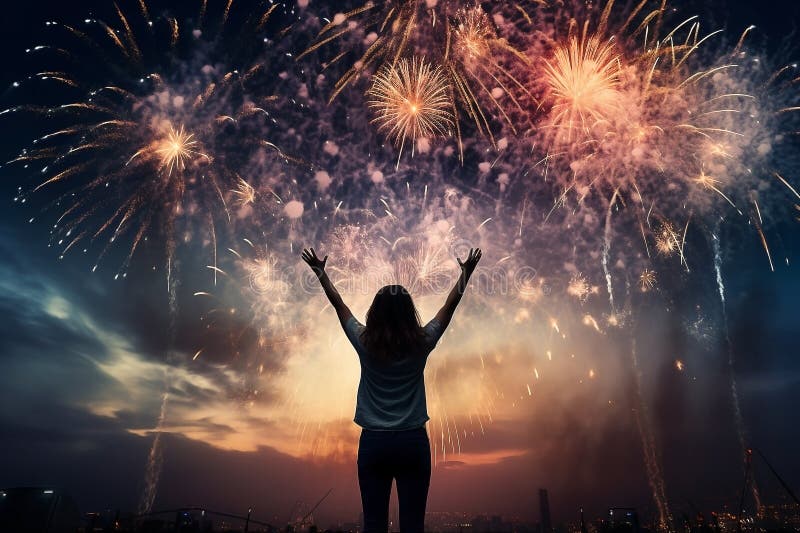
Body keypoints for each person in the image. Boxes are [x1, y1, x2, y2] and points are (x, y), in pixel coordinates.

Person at [301, 247, 483, 533]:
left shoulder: (364, 341)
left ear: (376, 311)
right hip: (413, 442)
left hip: (374, 443)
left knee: (373, 524)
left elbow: (340, 306)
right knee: (413, 525)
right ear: (409, 312)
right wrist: (465, 275)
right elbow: (448, 309)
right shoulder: (422, 341)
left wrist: (321, 273)